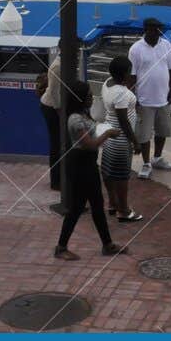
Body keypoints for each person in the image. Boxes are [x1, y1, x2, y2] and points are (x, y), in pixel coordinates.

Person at [55, 78, 127, 260]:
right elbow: (89, 145)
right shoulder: (75, 119)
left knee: (97, 205)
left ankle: (107, 244)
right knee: (77, 207)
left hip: (88, 165)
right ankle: (61, 247)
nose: (92, 98)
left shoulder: (84, 114)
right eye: (88, 96)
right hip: (80, 165)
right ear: (79, 98)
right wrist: (108, 134)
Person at [129, 18, 171, 180]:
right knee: (144, 135)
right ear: (146, 30)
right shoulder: (135, 49)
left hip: (163, 98)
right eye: (155, 29)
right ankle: (145, 163)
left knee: (162, 131)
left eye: (160, 29)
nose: (158, 32)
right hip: (144, 100)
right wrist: (133, 97)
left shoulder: (166, 45)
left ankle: (157, 158)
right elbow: (132, 75)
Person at [99, 56, 143, 225]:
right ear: (124, 73)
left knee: (108, 171)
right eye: (129, 71)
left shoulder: (107, 83)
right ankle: (124, 211)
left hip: (108, 135)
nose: (132, 74)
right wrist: (135, 141)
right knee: (122, 176)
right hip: (121, 140)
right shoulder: (122, 93)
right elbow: (124, 121)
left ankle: (112, 203)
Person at [35, 52, 66, 215]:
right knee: (56, 144)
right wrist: (61, 113)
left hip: (58, 108)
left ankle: (62, 177)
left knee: (61, 143)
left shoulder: (67, 63)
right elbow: (54, 93)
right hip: (51, 108)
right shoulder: (57, 67)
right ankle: (56, 181)